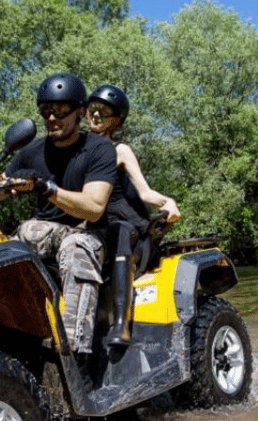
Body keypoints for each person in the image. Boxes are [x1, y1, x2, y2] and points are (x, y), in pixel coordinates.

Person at [0, 73, 117, 357]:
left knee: (77, 247)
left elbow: (94, 206)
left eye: (61, 111)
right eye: (46, 111)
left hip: (91, 235)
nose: (52, 118)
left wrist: (45, 187)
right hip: (46, 235)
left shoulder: (99, 149)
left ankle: (74, 352)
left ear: (81, 113)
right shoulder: (31, 152)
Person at [84, 84, 181, 346]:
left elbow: (146, 193)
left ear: (116, 122)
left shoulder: (120, 150)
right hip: (95, 230)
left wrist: (168, 203)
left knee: (119, 231)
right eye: (93, 109)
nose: (96, 115)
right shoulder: (78, 152)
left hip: (129, 232)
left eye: (104, 112)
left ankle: (121, 324)